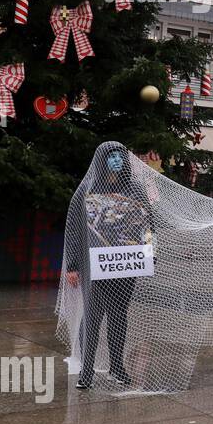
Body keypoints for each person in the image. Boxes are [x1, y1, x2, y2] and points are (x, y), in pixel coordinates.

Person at [64, 142, 148, 389]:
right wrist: (72, 265)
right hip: (95, 265)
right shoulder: (87, 189)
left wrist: (147, 252)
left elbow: (147, 222)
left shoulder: (135, 189)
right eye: (111, 156)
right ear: (102, 160)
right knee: (92, 316)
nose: (117, 160)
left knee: (119, 315)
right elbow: (74, 229)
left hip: (124, 264)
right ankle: (86, 370)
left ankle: (117, 368)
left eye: (120, 156)